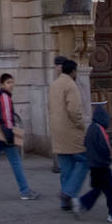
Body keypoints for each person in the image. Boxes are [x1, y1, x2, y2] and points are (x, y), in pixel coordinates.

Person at [48, 56, 89, 211]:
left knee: (66, 166)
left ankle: (66, 203)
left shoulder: (54, 84)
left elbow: (50, 107)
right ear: (73, 71)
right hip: (71, 131)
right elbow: (74, 110)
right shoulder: (71, 85)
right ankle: (68, 193)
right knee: (84, 161)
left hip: (57, 130)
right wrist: (81, 125)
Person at [74, 102, 112, 222]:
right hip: (102, 166)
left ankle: (82, 203)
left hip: (93, 165)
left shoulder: (91, 128)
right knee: (111, 191)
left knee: (98, 189)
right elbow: (106, 148)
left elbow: (85, 144)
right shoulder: (100, 130)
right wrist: (109, 159)